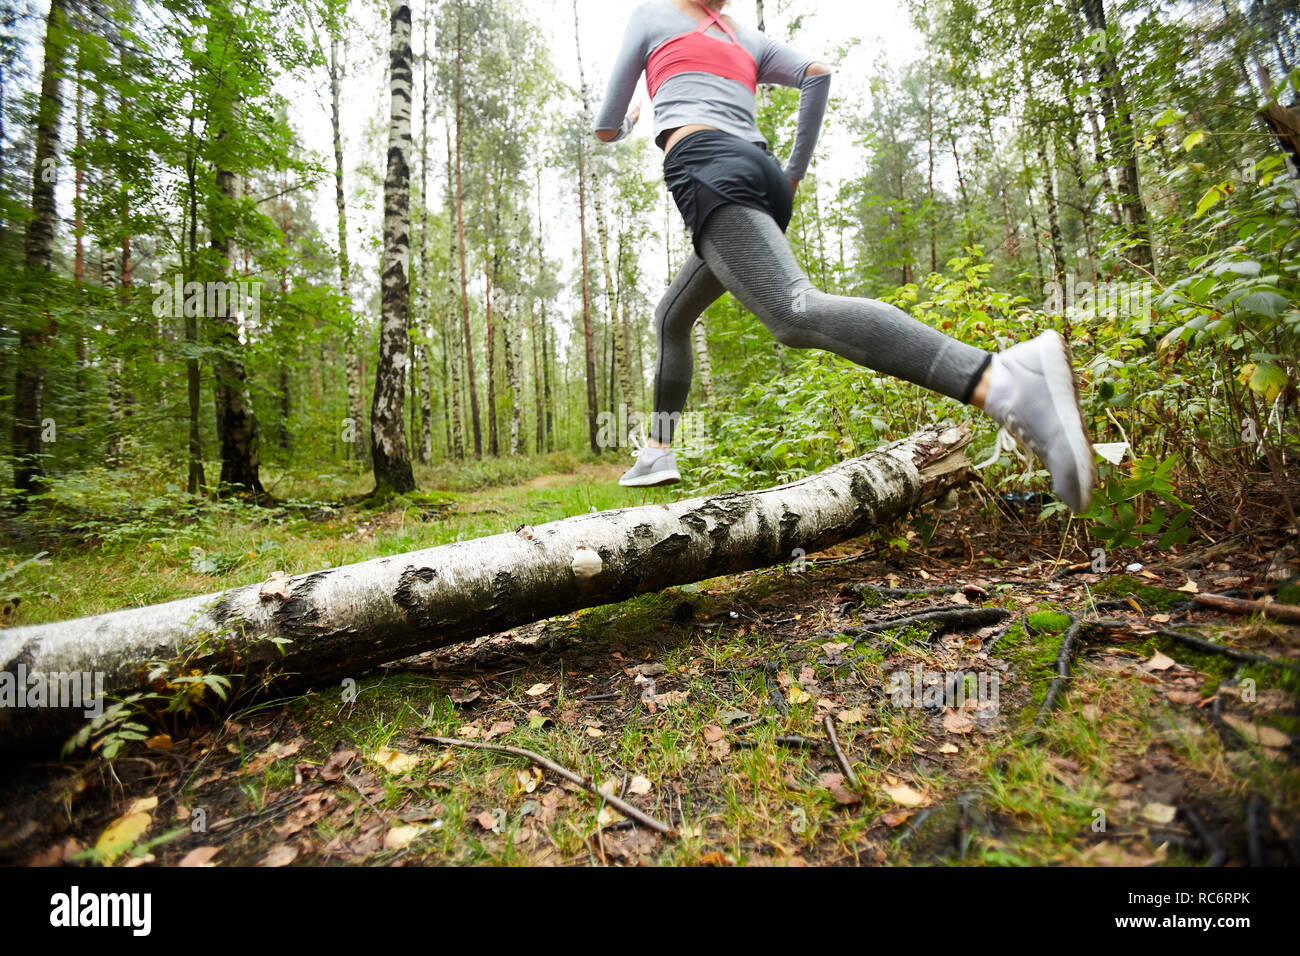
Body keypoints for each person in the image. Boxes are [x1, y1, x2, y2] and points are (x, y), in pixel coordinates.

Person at [593, 0, 1096, 513]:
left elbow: (605, 125)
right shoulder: (749, 38)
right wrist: (791, 172)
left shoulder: (649, 15)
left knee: (795, 312)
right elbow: (816, 73)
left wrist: (634, 119)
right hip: (758, 170)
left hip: (705, 165)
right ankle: (658, 451)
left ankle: (1004, 378)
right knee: (672, 317)